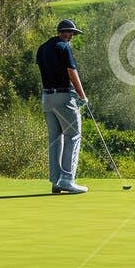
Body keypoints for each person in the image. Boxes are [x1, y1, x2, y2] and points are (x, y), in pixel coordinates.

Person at [36, 19, 89, 194]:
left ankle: (56, 181)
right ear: (65, 32)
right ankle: (67, 179)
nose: (72, 36)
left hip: (46, 98)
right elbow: (71, 72)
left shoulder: (42, 48)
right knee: (73, 135)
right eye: (71, 33)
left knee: (55, 139)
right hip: (64, 97)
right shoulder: (64, 47)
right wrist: (82, 96)